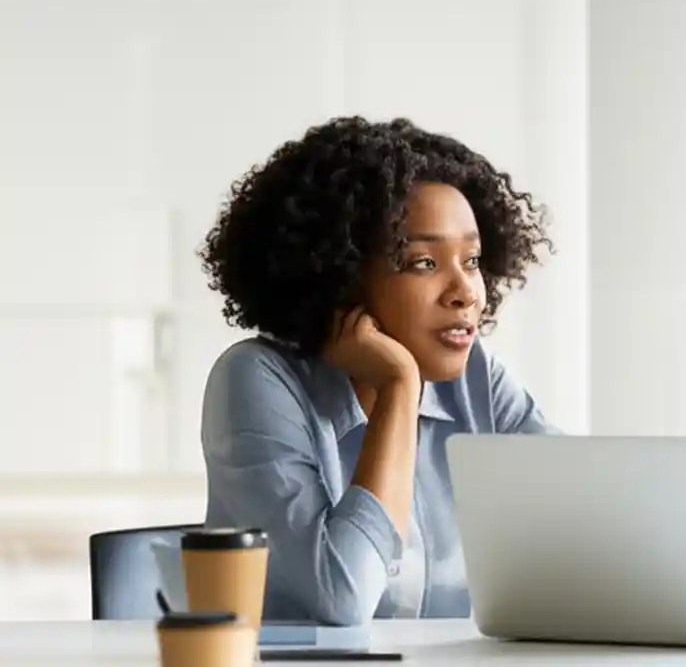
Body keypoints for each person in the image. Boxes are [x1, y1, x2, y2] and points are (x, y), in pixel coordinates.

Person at [198, 116, 556, 624]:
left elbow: (585, 526)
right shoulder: (255, 380)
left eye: (472, 260)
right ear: (340, 273)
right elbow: (342, 596)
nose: (466, 292)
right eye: (424, 264)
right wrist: (398, 389)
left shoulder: (481, 382)